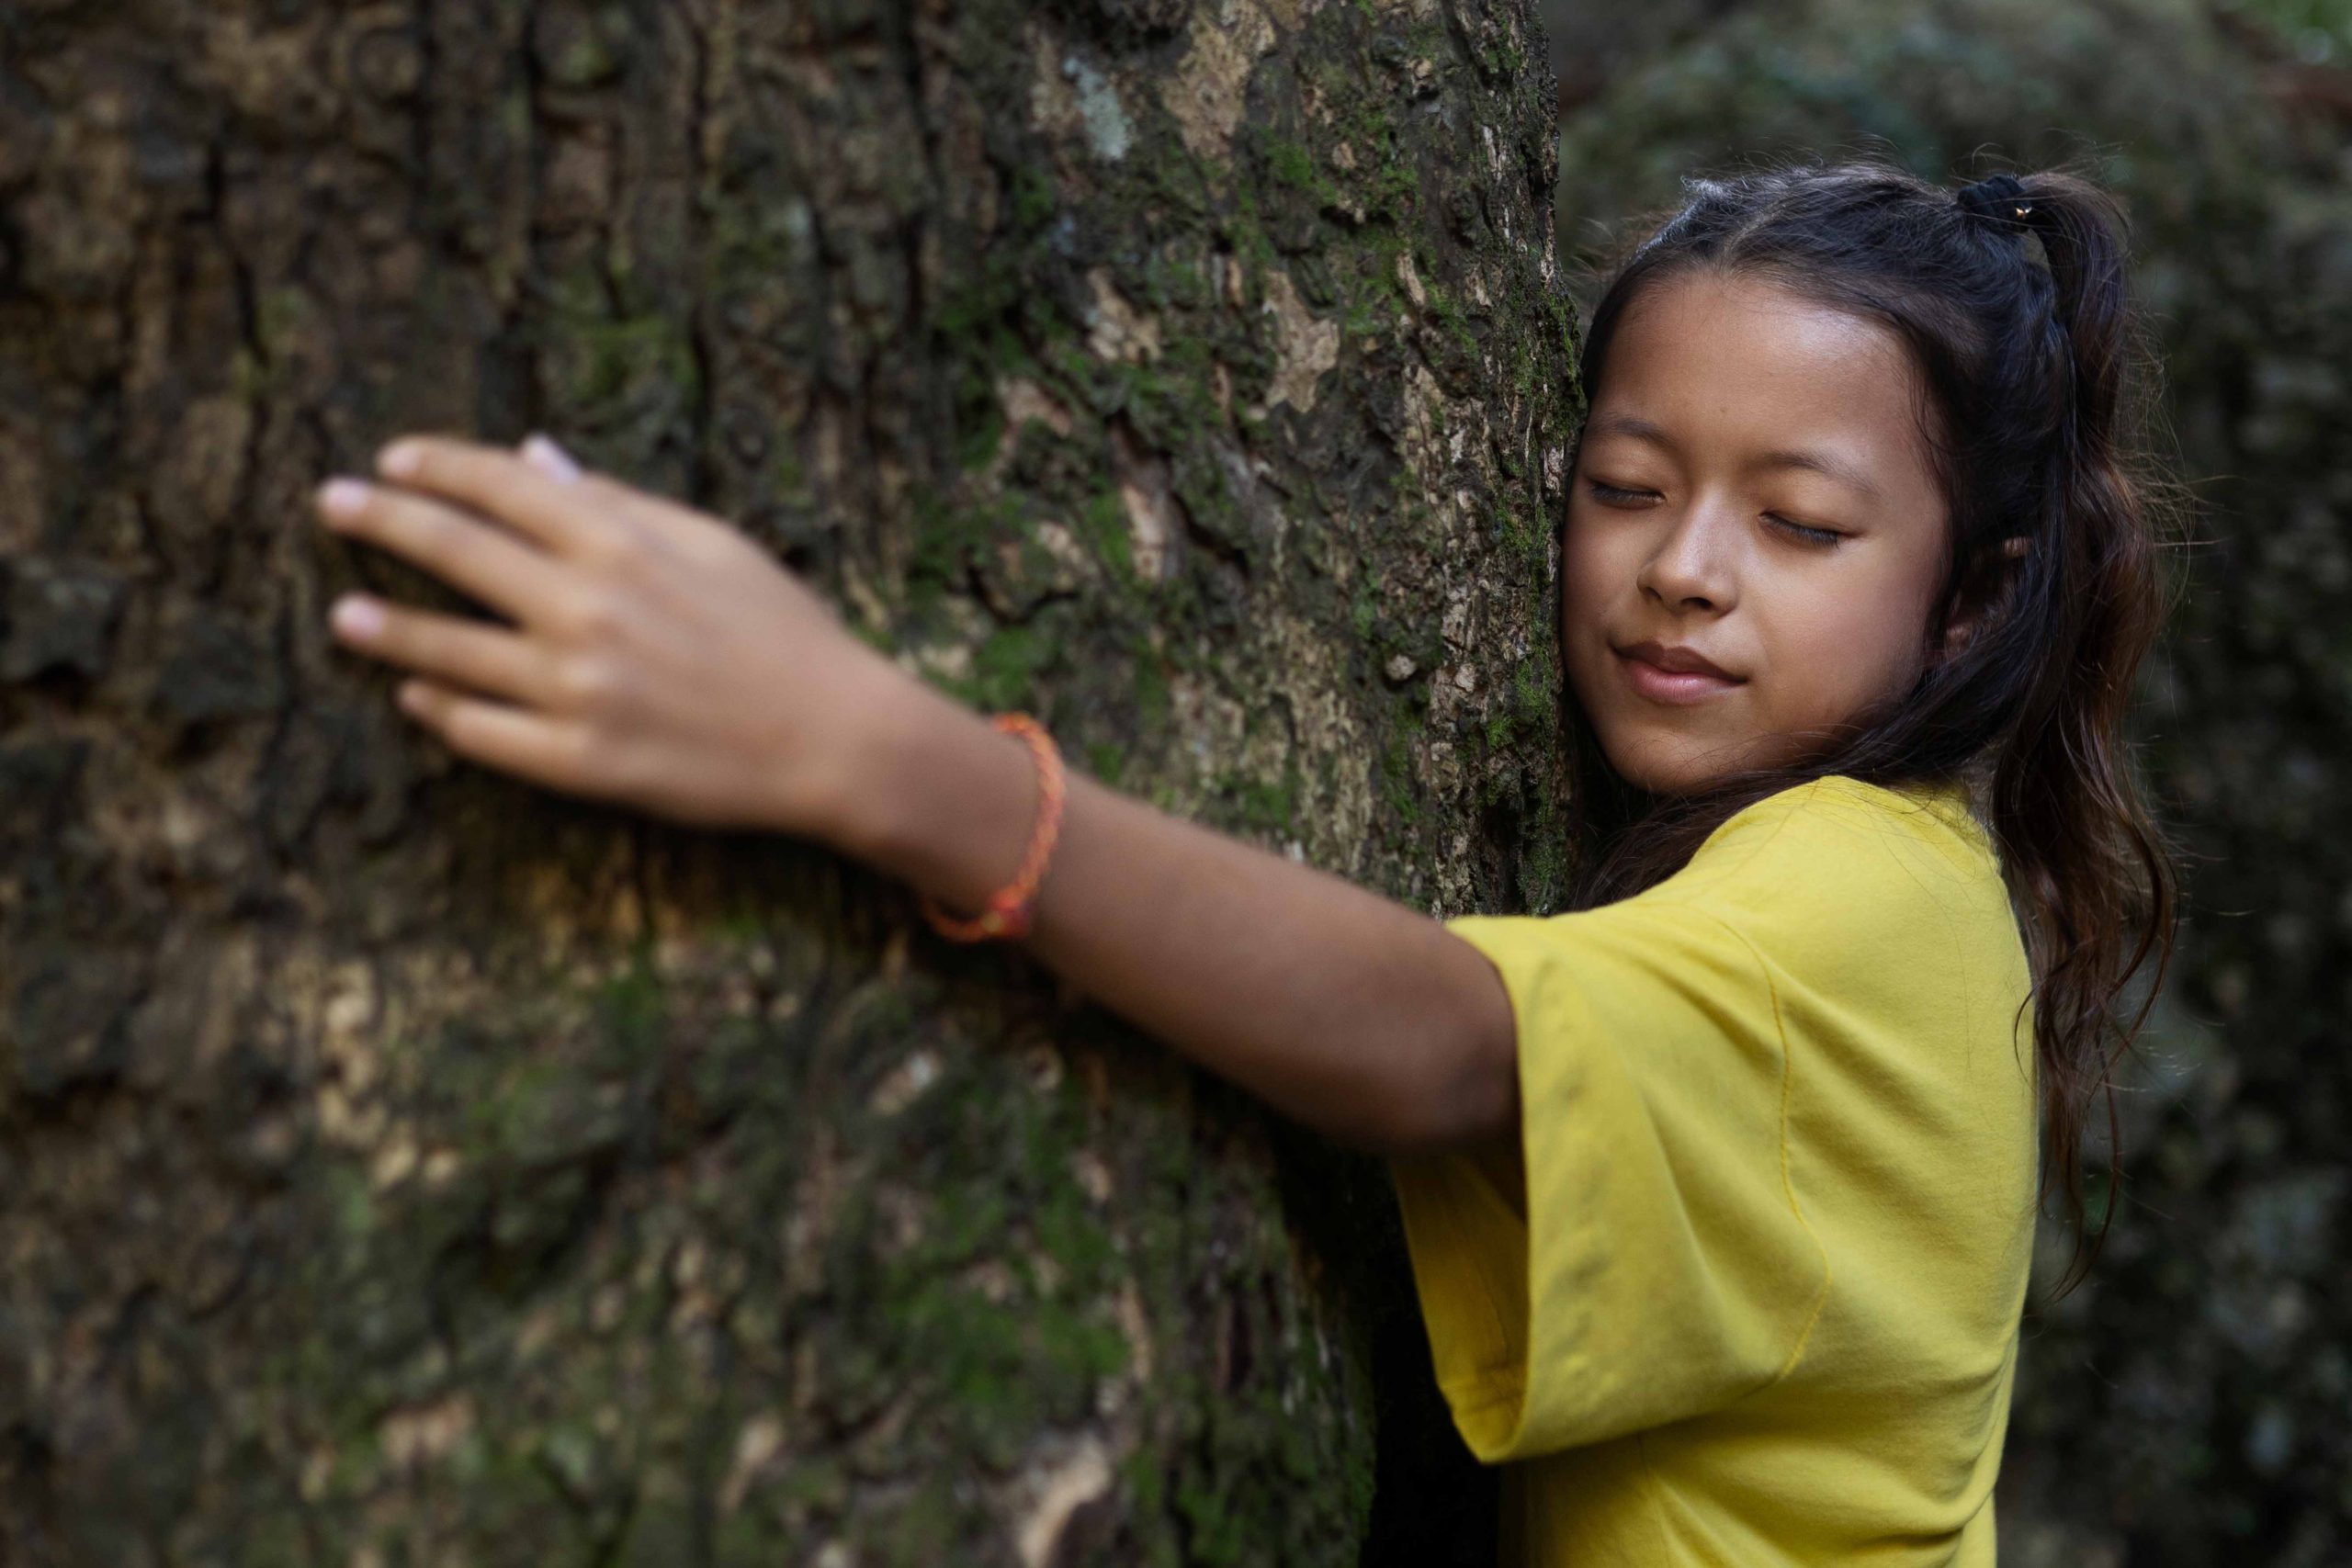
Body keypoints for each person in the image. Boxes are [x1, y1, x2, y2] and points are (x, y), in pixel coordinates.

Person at [306, 156, 2180, 1563]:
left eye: (1795, 520)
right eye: (1622, 486)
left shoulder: (1858, 892)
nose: (1681, 564)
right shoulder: (1890, 873)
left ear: (1971, 601)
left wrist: (862, 749)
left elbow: (1439, 1041)